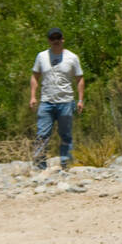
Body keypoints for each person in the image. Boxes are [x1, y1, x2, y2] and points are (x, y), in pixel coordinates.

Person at [30, 28, 84, 170]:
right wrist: (32, 96)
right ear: (49, 40)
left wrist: (80, 100)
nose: (56, 41)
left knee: (66, 135)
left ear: (62, 39)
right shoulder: (41, 56)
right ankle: (39, 165)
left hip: (66, 102)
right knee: (42, 134)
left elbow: (79, 79)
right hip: (46, 101)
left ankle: (66, 165)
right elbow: (35, 76)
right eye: (52, 38)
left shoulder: (72, 57)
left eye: (58, 38)